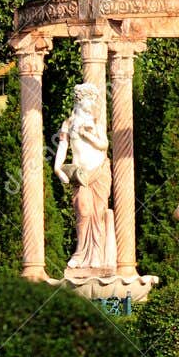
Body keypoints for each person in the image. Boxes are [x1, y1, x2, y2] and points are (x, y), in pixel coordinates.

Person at [54, 82, 117, 272]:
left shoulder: (96, 121)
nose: (91, 103)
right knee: (83, 210)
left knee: (98, 212)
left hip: (99, 170)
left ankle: (97, 254)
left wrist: (88, 136)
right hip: (81, 175)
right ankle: (80, 253)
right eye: (88, 100)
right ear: (79, 100)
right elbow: (63, 146)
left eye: (93, 100)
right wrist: (58, 168)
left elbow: (104, 145)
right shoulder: (69, 123)